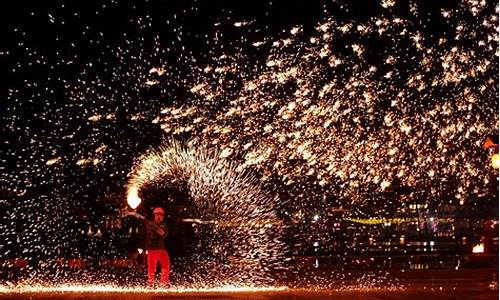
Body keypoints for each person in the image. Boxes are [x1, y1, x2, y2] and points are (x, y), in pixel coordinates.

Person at [145, 207, 170, 287]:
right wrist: (158, 232)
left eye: (161, 215)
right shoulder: (150, 224)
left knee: (166, 266)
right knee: (152, 268)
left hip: (161, 249)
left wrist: (160, 232)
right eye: (158, 215)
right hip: (153, 249)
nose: (160, 217)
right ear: (154, 215)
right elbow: (151, 235)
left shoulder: (164, 225)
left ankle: (163, 284)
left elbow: (165, 235)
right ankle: (150, 284)